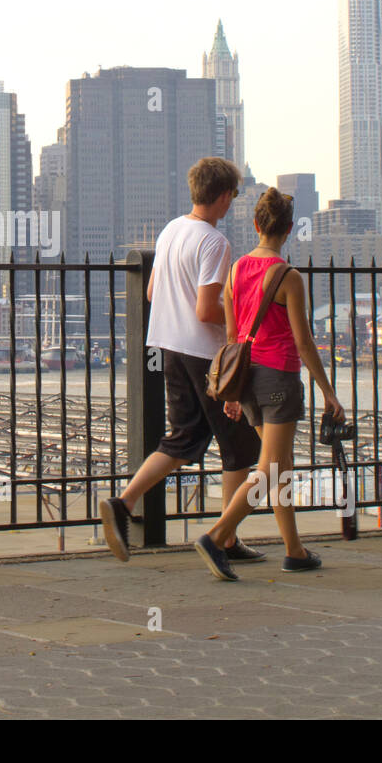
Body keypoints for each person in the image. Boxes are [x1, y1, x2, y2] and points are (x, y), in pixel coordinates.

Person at [99, 157, 264, 565]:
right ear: (224, 195)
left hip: (168, 349)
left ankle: (125, 502)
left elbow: (153, 291)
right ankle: (224, 540)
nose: (232, 203)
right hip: (205, 357)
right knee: (239, 447)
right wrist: (243, 319)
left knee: (183, 439)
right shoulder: (214, 242)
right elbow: (207, 311)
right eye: (234, 195)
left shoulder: (172, 229)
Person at [192, 188, 345, 581]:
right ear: (289, 229)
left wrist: (231, 391)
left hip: (247, 379)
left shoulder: (237, 269)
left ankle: (294, 550)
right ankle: (217, 535)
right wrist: (328, 391)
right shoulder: (288, 277)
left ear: (257, 225)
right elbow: (303, 341)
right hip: (279, 377)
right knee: (269, 469)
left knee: (280, 468)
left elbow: (232, 333)